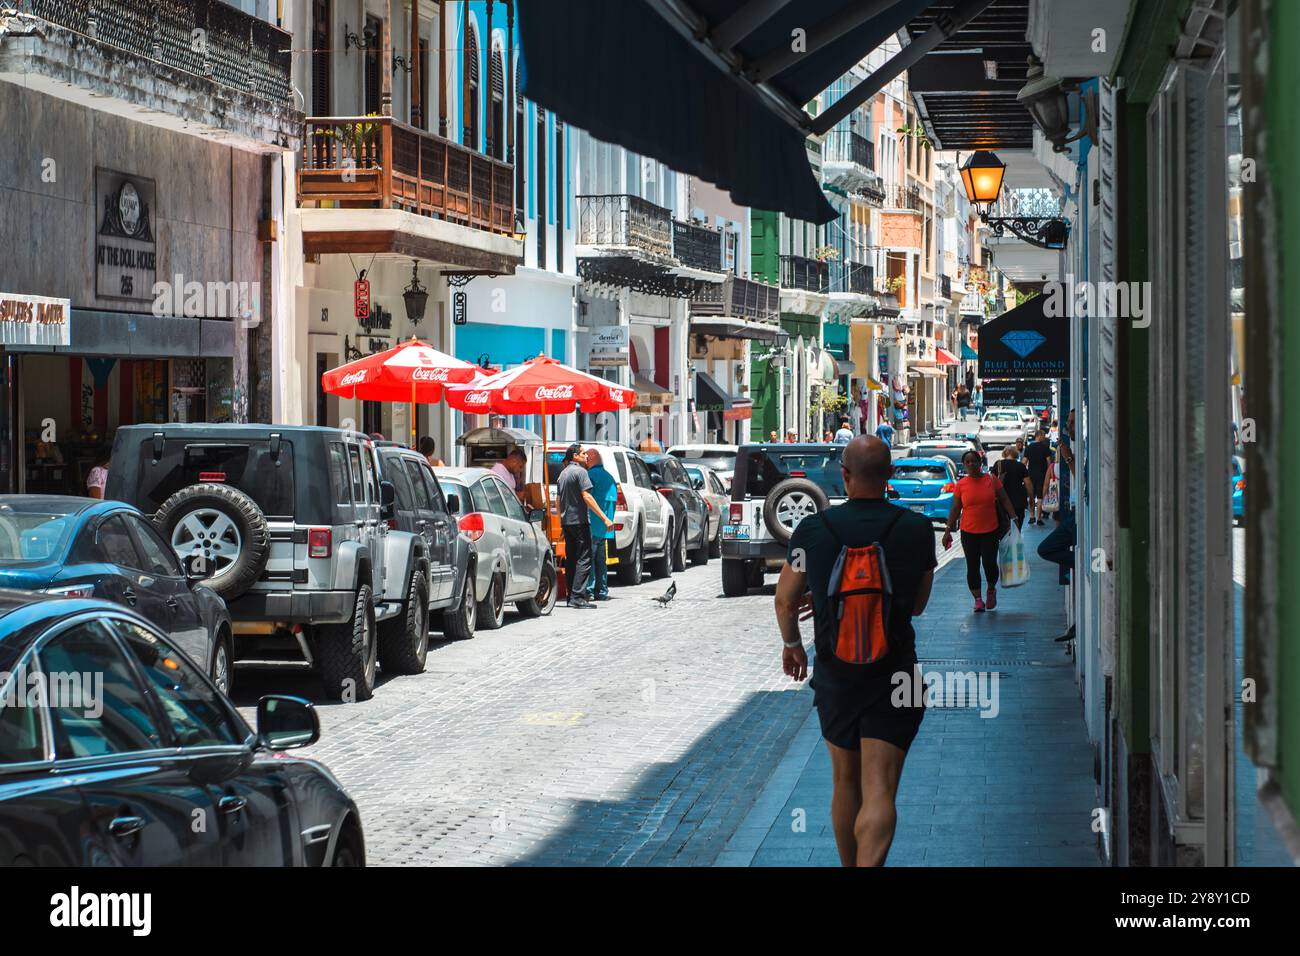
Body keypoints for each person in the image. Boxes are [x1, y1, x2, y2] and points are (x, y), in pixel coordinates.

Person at [774, 436, 936, 867]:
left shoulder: (813, 530)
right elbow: (918, 605)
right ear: (889, 476)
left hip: (836, 673)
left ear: (844, 475)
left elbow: (785, 599)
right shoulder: (917, 530)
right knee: (880, 787)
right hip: (898, 672)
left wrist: (793, 644)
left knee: (846, 781)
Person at [943, 449, 1017, 613]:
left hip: (990, 530)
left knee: (990, 564)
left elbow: (1004, 499)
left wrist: (1014, 518)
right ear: (964, 465)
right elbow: (956, 508)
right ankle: (977, 600)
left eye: (973, 461)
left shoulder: (992, 480)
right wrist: (948, 529)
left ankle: (991, 589)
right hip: (968, 532)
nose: (970, 464)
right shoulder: (961, 485)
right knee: (972, 565)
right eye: (967, 462)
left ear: (980, 463)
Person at [556, 444, 614, 609]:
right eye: (583, 453)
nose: (586, 456)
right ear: (575, 456)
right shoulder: (581, 472)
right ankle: (578, 596)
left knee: (572, 559)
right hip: (580, 521)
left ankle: (571, 596)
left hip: (567, 522)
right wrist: (604, 518)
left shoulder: (563, 474)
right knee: (584, 559)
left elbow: (558, 501)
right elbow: (587, 496)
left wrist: (561, 521)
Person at [585, 449, 618, 601]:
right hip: (604, 528)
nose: (584, 459)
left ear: (592, 458)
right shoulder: (609, 477)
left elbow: (587, 498)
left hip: (592, 524)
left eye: (586, 456)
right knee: (600, 560)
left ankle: (590, 590)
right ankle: (602, 590)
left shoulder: (590, 476)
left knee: (590, 559)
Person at [995, 446, 1032, 530]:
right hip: (1018, 501)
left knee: (1003, 528)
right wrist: (1031, 498)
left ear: (1004, 454)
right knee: (1017, 528)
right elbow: (1028, 483)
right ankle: (1015, 541)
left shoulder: (998, 464)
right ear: (1015, 454)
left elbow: (992, 482)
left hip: (1002, 502)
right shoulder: (1021, 466)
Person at [1022, 429, 1052, 525]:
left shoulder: (1029, 447)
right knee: (1040, 497)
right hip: (1042, 476)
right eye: (1043, 435)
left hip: (1030, 475)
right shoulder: (1045, 448)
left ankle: (1031, 516)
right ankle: (1039, 518)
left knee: (1031, 496)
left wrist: (1023, 475)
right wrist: (1050, 475)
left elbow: (1024, 462)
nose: (1044, 438)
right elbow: (1049, 463)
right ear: (1039, 436)